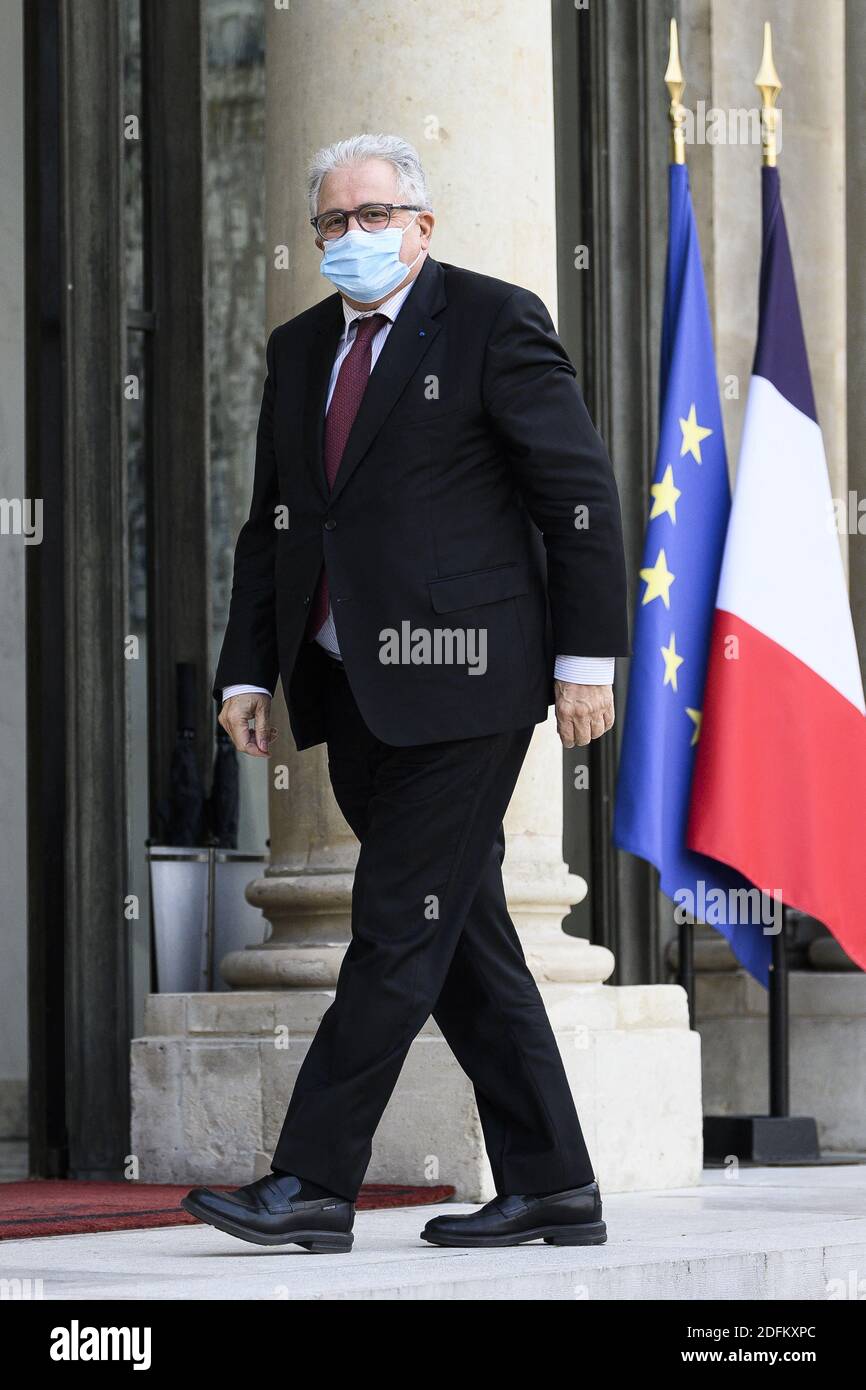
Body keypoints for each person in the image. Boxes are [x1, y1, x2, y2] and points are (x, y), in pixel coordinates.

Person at [182, 133, 628, 1252]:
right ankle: (555, 1184)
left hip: (471, 685)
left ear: (420, 227)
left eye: (372, 216)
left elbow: (574, 494)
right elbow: (273, 524)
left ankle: (311, 1184)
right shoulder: (296, 351)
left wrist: (586, 662)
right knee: (464, 939)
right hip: (349, 689)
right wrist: (250, 666)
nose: (350, 238)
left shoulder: (491, 318)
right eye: (331, 222)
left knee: (392, 928)